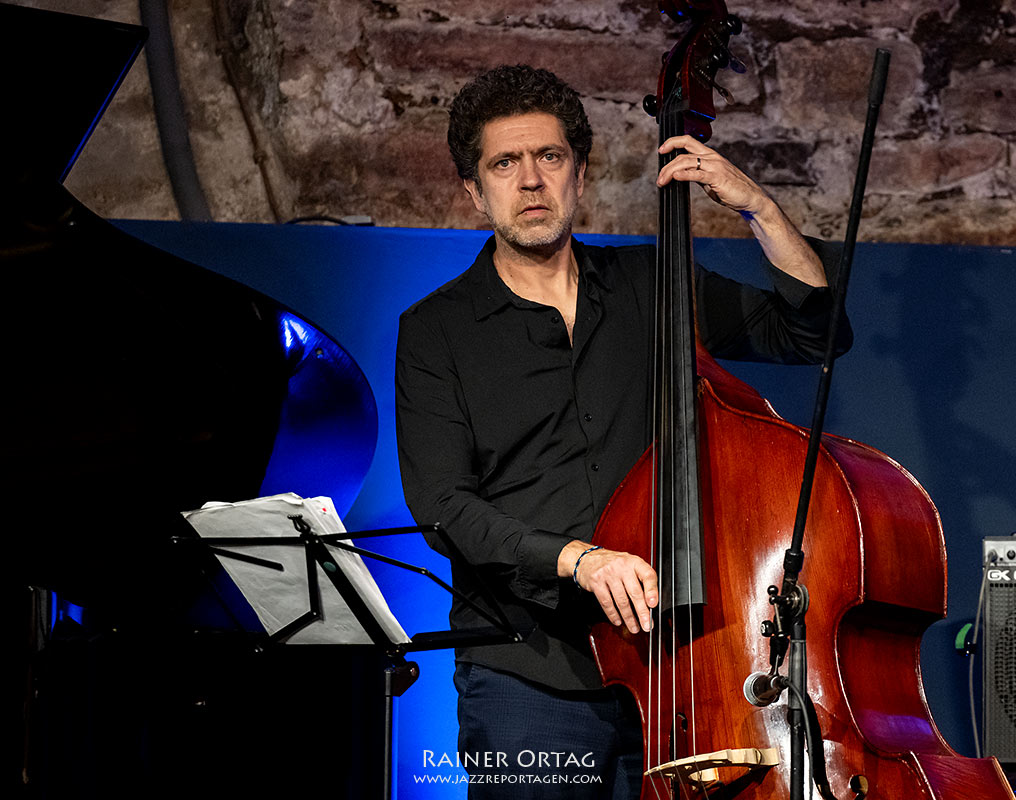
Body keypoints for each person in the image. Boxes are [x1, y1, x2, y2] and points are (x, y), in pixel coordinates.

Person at [395, 65, 850, 798]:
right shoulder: (434, 330)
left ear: (580, 173)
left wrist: (760, 209)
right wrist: (578, 559)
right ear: (475, 191)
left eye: (549, 157)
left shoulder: (654, 283)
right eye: (505, 164)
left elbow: (814, 334)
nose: (531, 180)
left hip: (678, 668)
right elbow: (444, 506)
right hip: (528, 676)